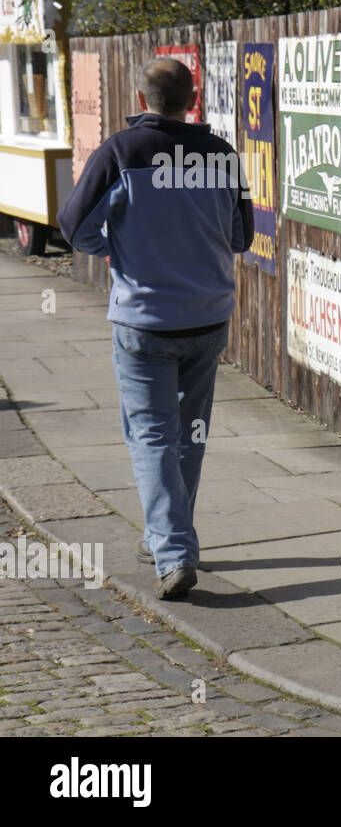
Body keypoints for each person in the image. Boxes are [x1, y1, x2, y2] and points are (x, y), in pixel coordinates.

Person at [57, 57, 253, 601]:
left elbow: (74, 226)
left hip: (144, 320)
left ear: (143, 101)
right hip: (208, 317)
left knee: (151, 436)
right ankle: (169, 536)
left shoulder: (121, 151)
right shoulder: (222, 156)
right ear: (193, 100)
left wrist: (116, 249)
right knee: (190, 434)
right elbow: (241, 238)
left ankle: (171, 552)